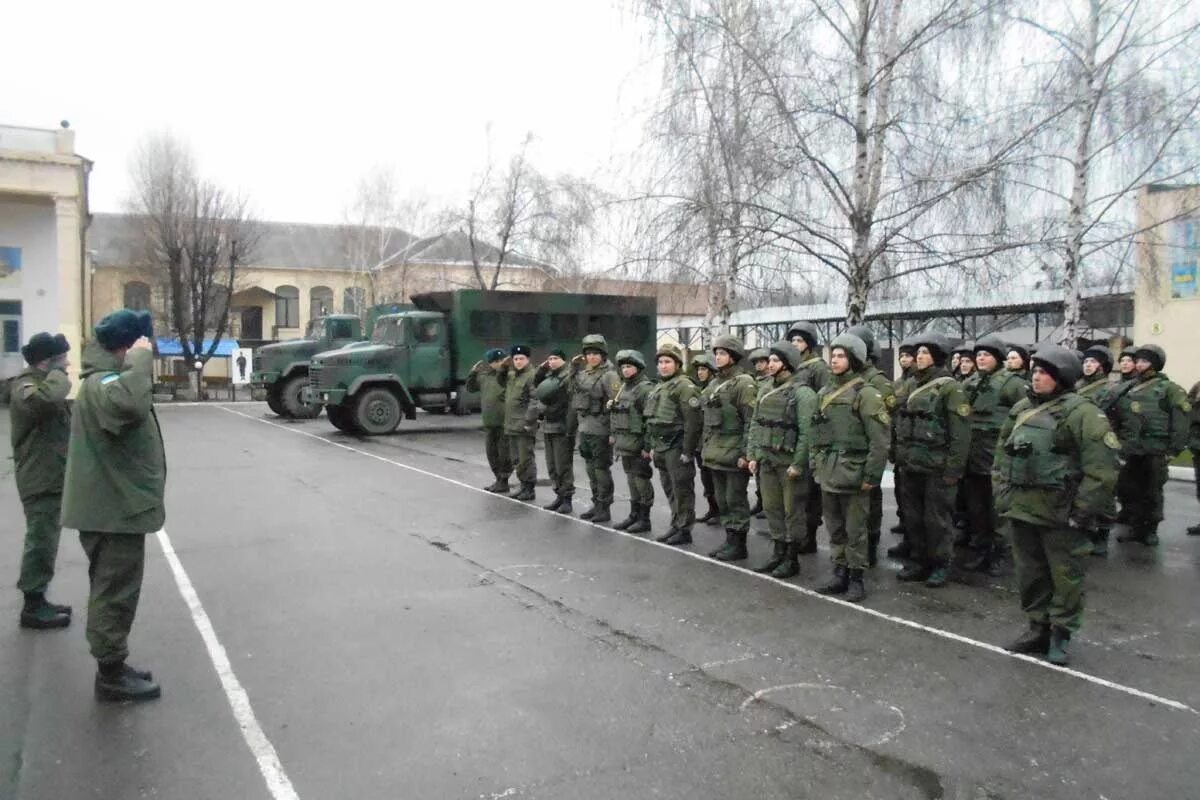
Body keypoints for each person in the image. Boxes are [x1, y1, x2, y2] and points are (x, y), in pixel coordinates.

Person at [61, 310, 163, 701]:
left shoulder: (107, 380)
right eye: (138, 346)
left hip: (115, 505)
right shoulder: (106, 383)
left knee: (113, 587)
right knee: (114, 590)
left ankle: (114, 662)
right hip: (113, 509)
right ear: (125, 346)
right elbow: (128, 407)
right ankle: (110, 674)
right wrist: (140, 360)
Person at [996, 346, 1118, 665]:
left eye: (1044, 373)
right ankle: (1037, 627)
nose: (1036, 377)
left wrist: (1083, 510)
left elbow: (1102, 469)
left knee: (1065, 575)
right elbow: (1002, 454)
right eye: (1034, 372)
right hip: (1022, 508)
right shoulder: (1022, 408)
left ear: (1061, 377)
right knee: (1030, 573)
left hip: (1061, 511)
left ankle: (1061, 633)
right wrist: (1003, 494)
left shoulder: (1083, 413)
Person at [811, 334, 890, 602]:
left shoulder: (866, 394)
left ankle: (857, 579)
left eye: (841, 356)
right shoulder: (823, 393)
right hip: (829, 472)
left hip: (854, 473)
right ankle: (839, 572)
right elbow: (815, 435)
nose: (835, 360)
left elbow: (879, 440)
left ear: (854, 359)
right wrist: (816, 466)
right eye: (833, 356)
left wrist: (871, 475)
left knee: (855, 530)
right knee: (835, 528)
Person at [893, 334, 971, 587]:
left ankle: (940, 564)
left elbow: (960, 434)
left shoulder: (951, 388)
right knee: (913, 517)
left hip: (937, 466)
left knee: (937, 519)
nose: (919, 357)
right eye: (918, 353)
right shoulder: (911, 384)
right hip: (911, 463)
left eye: (925, 352)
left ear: (937, 356)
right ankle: (918, 560)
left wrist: (954, 469)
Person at [11, 332, 73, 630]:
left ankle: (39, 599)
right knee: (40, 542)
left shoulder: (42, 384)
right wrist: (59, 374)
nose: (67, 366)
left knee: (46, 541)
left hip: (51, 476)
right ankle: (32, 606)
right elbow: (46, 402)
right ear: (46, 362)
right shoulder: (26, 387)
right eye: (62, 362)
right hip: (38, 479)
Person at [746, 342, 818, 578]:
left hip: (788, 465)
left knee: (793, 512)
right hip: (767, 460)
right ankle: (777, 553)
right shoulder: (765, 388)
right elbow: (756, 424)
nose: (770, 365)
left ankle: (792, 558)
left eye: (776, 361)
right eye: (771, 360)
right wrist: (753, 455)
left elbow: (807, 433)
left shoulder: (803, 393)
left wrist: (798, 463)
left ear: (788, 364)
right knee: (772, 509)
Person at [957, 333, 1027, 574]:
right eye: (978, 355)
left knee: (998, 512)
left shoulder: (1012, 384)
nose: (981, 359)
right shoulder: (970, 383)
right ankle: (982, 550)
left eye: (986, 355)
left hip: (997, 460)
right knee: (977, 510)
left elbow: (1026, 415)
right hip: (972, 458)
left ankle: (999, 554)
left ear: (997, 357)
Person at [1110, 345, 1190, 546]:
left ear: (1155, 363)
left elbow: (1180, 421)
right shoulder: (1128, 388)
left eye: (1144, 361)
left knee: (1152, 491)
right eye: (1137, 360)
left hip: (1156, 450)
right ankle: (1135, 528)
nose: (1138, 364)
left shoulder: (1169, 389)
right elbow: (1117, 416)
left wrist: (1173, 450)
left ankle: (1150, 530)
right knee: (1130, 490)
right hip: (1131, 449)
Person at [701, 335, 759, 562]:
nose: (718, 357)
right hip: (715, 452)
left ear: (734, 357)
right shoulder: (714, 384)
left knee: (735, 499)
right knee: (722, 499)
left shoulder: (744, 383)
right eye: (716, 353)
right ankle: (729, 539)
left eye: (723, 353)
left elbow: (750, 421)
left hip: (734, 453)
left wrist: (746, 453)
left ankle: (739, 544)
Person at [844, 325, 896, 567]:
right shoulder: (846, 378)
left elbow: (887, 414)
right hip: (849, 451)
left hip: (869, 449)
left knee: (871, 502)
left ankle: (871, 545)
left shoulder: (877, 380)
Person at [645, 344, 702, 545]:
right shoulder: (659, 387)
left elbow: (692, 422)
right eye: (660, 362)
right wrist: (652, 446)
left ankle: (684, 529)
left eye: (668, 362)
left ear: (677, 364)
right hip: (661, 446)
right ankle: (676, 524)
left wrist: (688, 451)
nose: (663, 366)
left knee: (682, 489)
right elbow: (653, 420)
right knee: (670, 488)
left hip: (676, 447)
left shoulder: (685, 387)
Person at [786, 321, 830, 550]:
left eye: (800, 340)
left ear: (809, 344)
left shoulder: (818, 368)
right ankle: (799, 534)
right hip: (791, 433)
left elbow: (824, 399)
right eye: (792, 340)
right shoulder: (792, 365)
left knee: (812, 494)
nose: (795, 344)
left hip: (811, 431)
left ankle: (809, 536)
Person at [571, 334, 622, 523]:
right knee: (591, 470)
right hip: (585, 428)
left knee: (601, 470)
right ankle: (596, 503)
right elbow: (573, 389)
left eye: (595, 354)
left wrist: (613, 432)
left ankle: (604, 506)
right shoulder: (584, 374)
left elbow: (616, 404)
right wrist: (573, 368)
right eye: (589, 354)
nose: (591, 357)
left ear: (603, 355)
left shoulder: (609, 375)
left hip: (601, 430)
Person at [1075, 345, 1117, 554]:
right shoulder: (1077, 386)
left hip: (1102, 442)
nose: (1088, 365)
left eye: (1093, 362)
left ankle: (1103, 531)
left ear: (1103, 366)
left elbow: (1120, 420)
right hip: (1080, 442)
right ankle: (1085, 528)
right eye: (1086, 361)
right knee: (1084, 488)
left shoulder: (1111, 390)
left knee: (1104, 490)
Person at [609, 349, 655, 533]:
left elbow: (650, 420)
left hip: (638, 444)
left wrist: (647, 445)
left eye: (629, 366)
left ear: (638, 367)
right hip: (625, 443)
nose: (626, 370)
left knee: (641, 480)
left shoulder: (644, 389)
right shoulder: (624, 387)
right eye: (623, 367)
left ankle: (645, 519)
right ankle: (634, 514)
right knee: (631, 481)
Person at [531, 350, 575, 513]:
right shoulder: (550, 375)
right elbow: (537, 384)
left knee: (563, 465)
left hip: (561, 425)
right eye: (549, 358)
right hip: (549, 425)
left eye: (556, 358)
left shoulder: (567, 376)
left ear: (564, 360)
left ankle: (567, 498)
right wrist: (542, 369)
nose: (552, 361)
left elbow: (569, 401)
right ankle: (559, 495)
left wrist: (570, 428)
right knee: (552, 465)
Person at [888, 337, 918, 555]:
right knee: (902, 490)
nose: (904, 360)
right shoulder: (898, 383)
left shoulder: (918, 382)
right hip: (900, 441)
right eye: (902, 356)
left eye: (908, 356)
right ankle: (906, 528)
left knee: (914, 499)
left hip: (915, 444)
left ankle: (915, 541)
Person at [467, 349, 512, 493]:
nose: (498, 364)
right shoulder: (484, 377)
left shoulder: (508, 376)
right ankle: (498, 479)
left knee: (504, 453)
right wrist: (473, 373)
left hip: (504, 422)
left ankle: (504, 480)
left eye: (500, 361)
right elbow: (471, 388)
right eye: (495, 362)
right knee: (491, 453)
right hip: (489, 422)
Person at [499, 345, 538, 501]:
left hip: (523, 425)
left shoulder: (531, 376)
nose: (518, 361)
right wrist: (503, 366)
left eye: (522, 358)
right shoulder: (512, 375)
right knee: (516, 459)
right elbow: (500, 380)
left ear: (528, 359)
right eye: (516, 359)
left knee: (525, 458)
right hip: (511, 424)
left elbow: (535, 401)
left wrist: (529, 421)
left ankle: (529, 488)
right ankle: (523, 485)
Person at [690, 353, 721, 526]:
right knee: (705, 477)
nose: (700, 373)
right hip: (700, 442)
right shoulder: (700, 389)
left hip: (711, 442)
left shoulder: (715, 389)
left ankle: (720, 511)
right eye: (699, 370)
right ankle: (712, 509)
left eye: (704, 369)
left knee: (714, 477)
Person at [747, 348, 772, 520]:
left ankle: (766, 504)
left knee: (765, 473)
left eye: (761, 362)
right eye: (756, 362)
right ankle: (760, 501)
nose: (759, 365)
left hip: (767, 428)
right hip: (754, 425)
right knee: (758, 472)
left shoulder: (770, 382)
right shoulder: (755, 382)